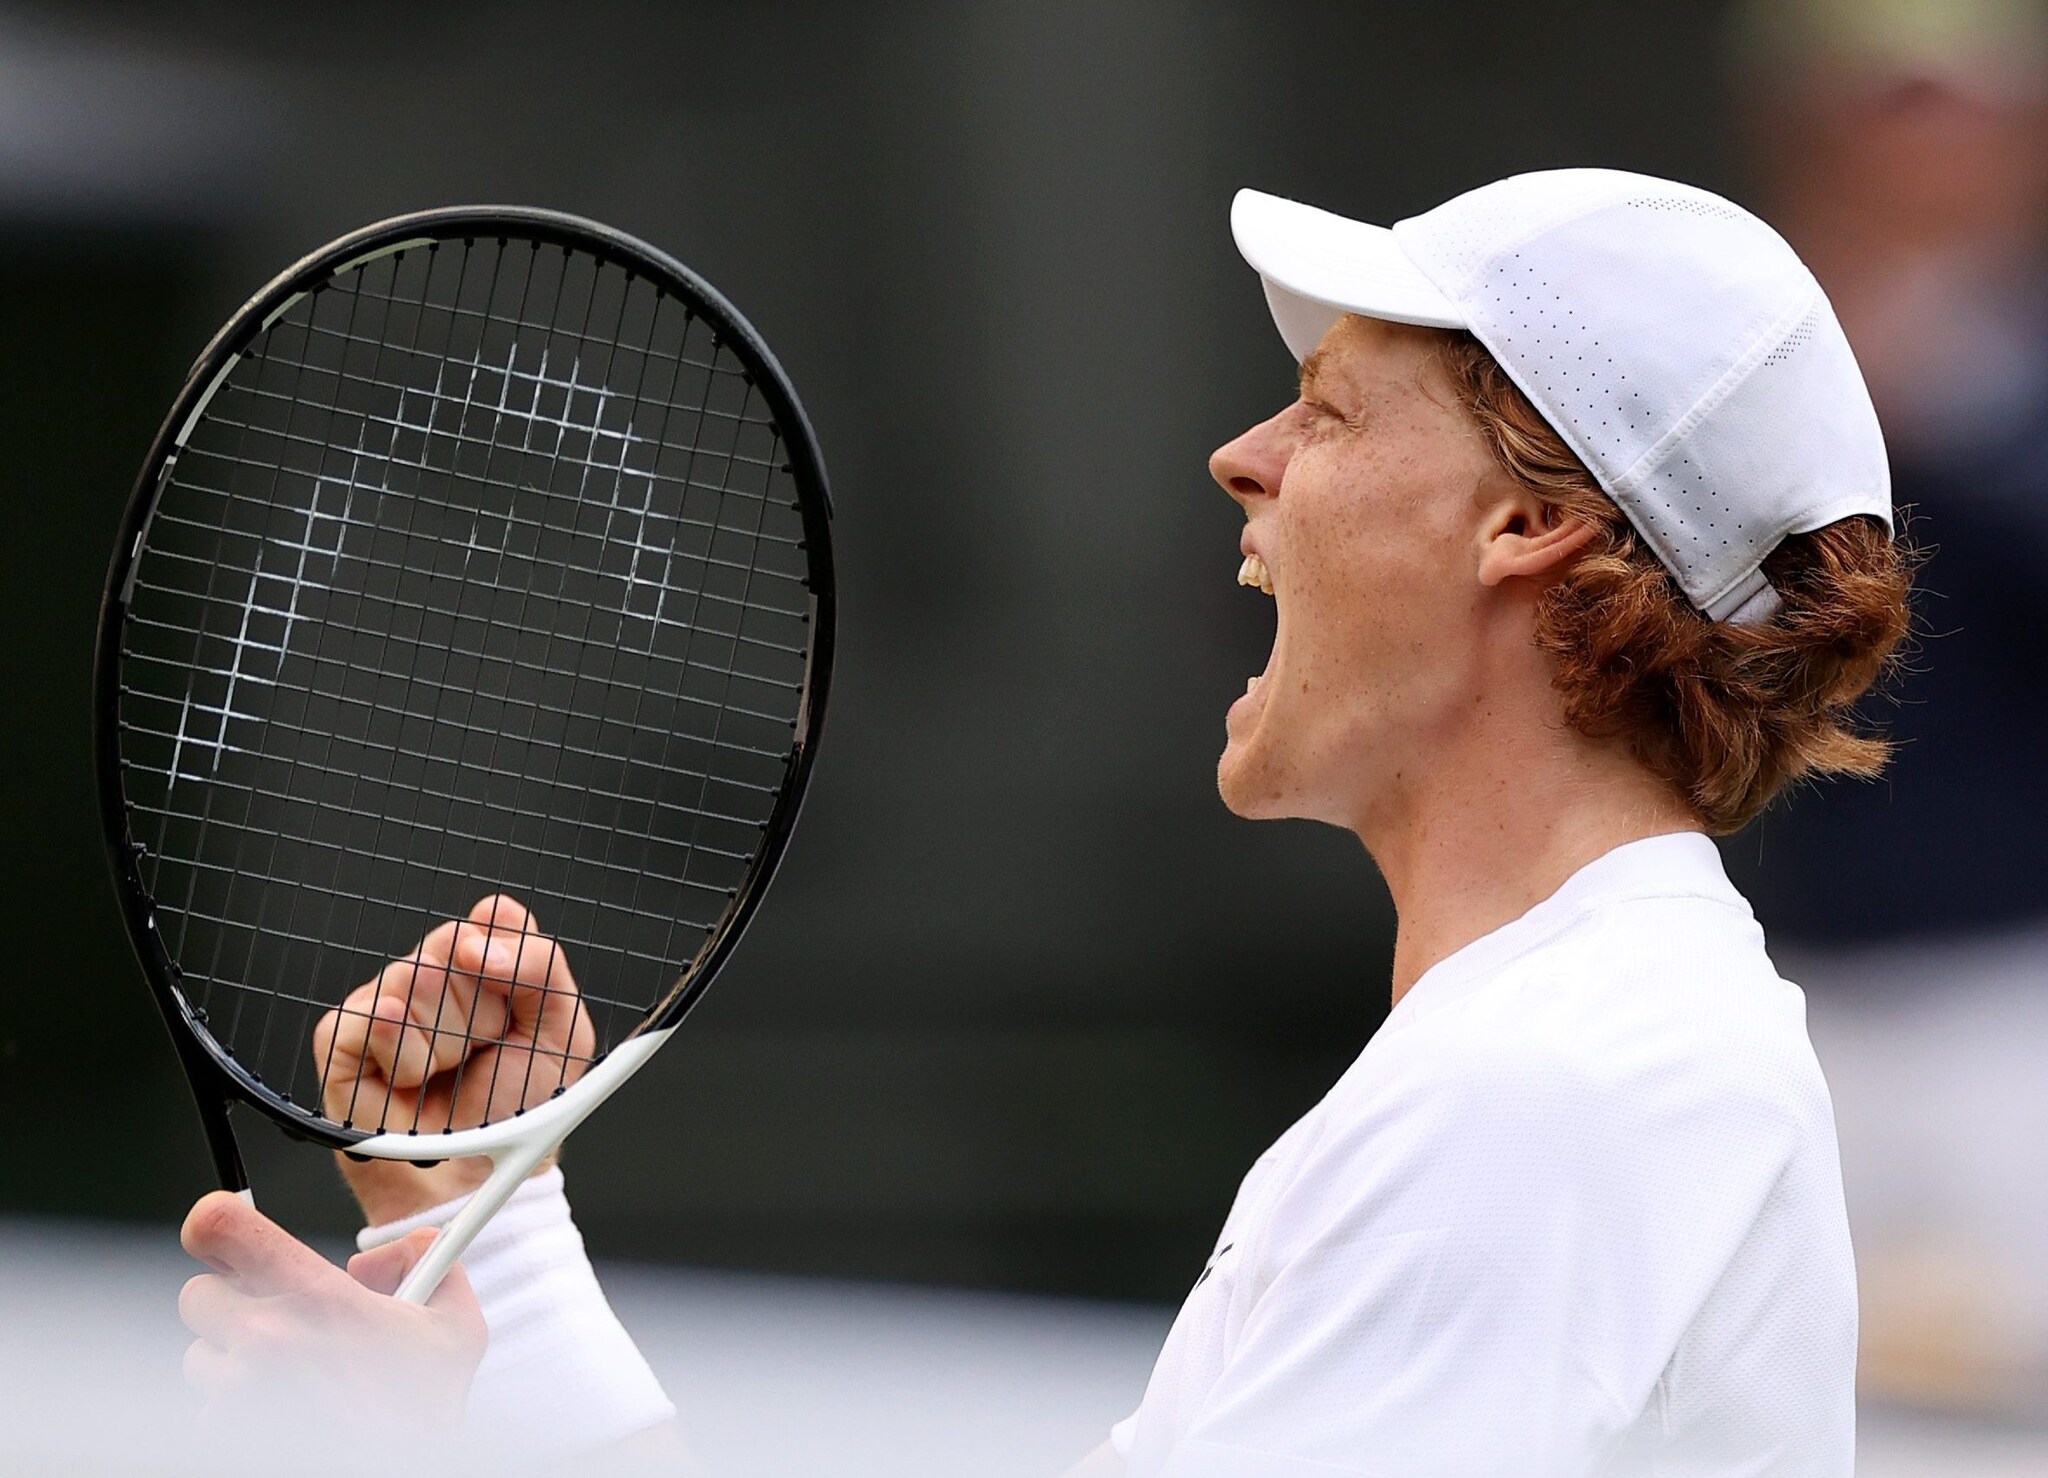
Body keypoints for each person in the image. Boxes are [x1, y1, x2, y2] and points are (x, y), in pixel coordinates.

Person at [176, 168, 1912, 1475]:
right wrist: (496, 1249)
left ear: (1528, 522)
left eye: (1327, 409)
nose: (1244, 458)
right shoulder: (1571, 1054)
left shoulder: (1554, 1088)